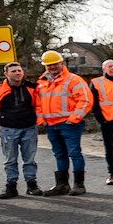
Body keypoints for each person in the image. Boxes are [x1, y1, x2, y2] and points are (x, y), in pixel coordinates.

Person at [0, 62, 42, 199]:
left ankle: (32, 185)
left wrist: (38, 119)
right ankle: (11, 186)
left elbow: (40, 105)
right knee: (10, 160)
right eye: (13, 71)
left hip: (29, 128)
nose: (17, 73)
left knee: (29, 160)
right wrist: (0, 118)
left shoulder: (32, 88)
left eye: (19, 70)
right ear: (6, 74)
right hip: (8, 129)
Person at [37, 50, 93, 196]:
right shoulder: (42, 83)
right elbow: (38, 104)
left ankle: (79, 185)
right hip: (51, 125)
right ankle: (62, 185)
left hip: (69, 125)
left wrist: (73, 119)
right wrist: (41, 120)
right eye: (49, 65)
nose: (52, 67)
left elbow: (85, 100)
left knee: (74, 154)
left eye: (55, 64)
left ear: (61, 63)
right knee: (59, 155)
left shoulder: (74, 80)